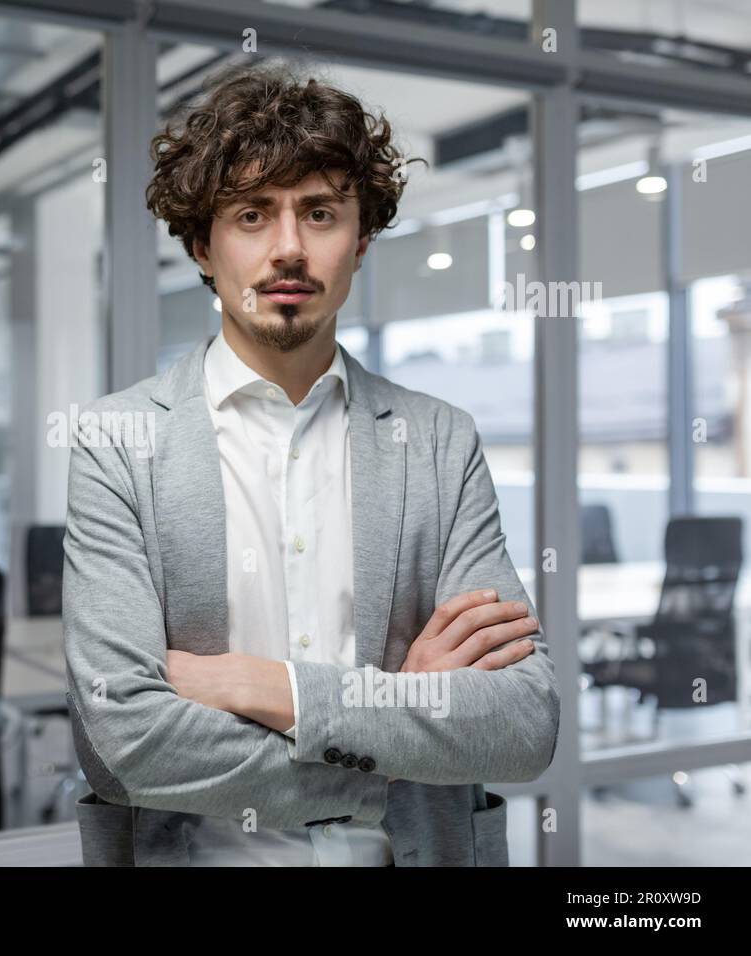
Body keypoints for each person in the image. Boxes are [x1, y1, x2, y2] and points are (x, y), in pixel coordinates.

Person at [62, 62, 559, 866]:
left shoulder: (439, 441)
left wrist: (268, 687)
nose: (289, 248)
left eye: (320, 213)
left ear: (359, 242)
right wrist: (393, 730)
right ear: (203, 245)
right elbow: (126, 742)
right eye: (252, 214)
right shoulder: (117, 441)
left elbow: (522, 725)